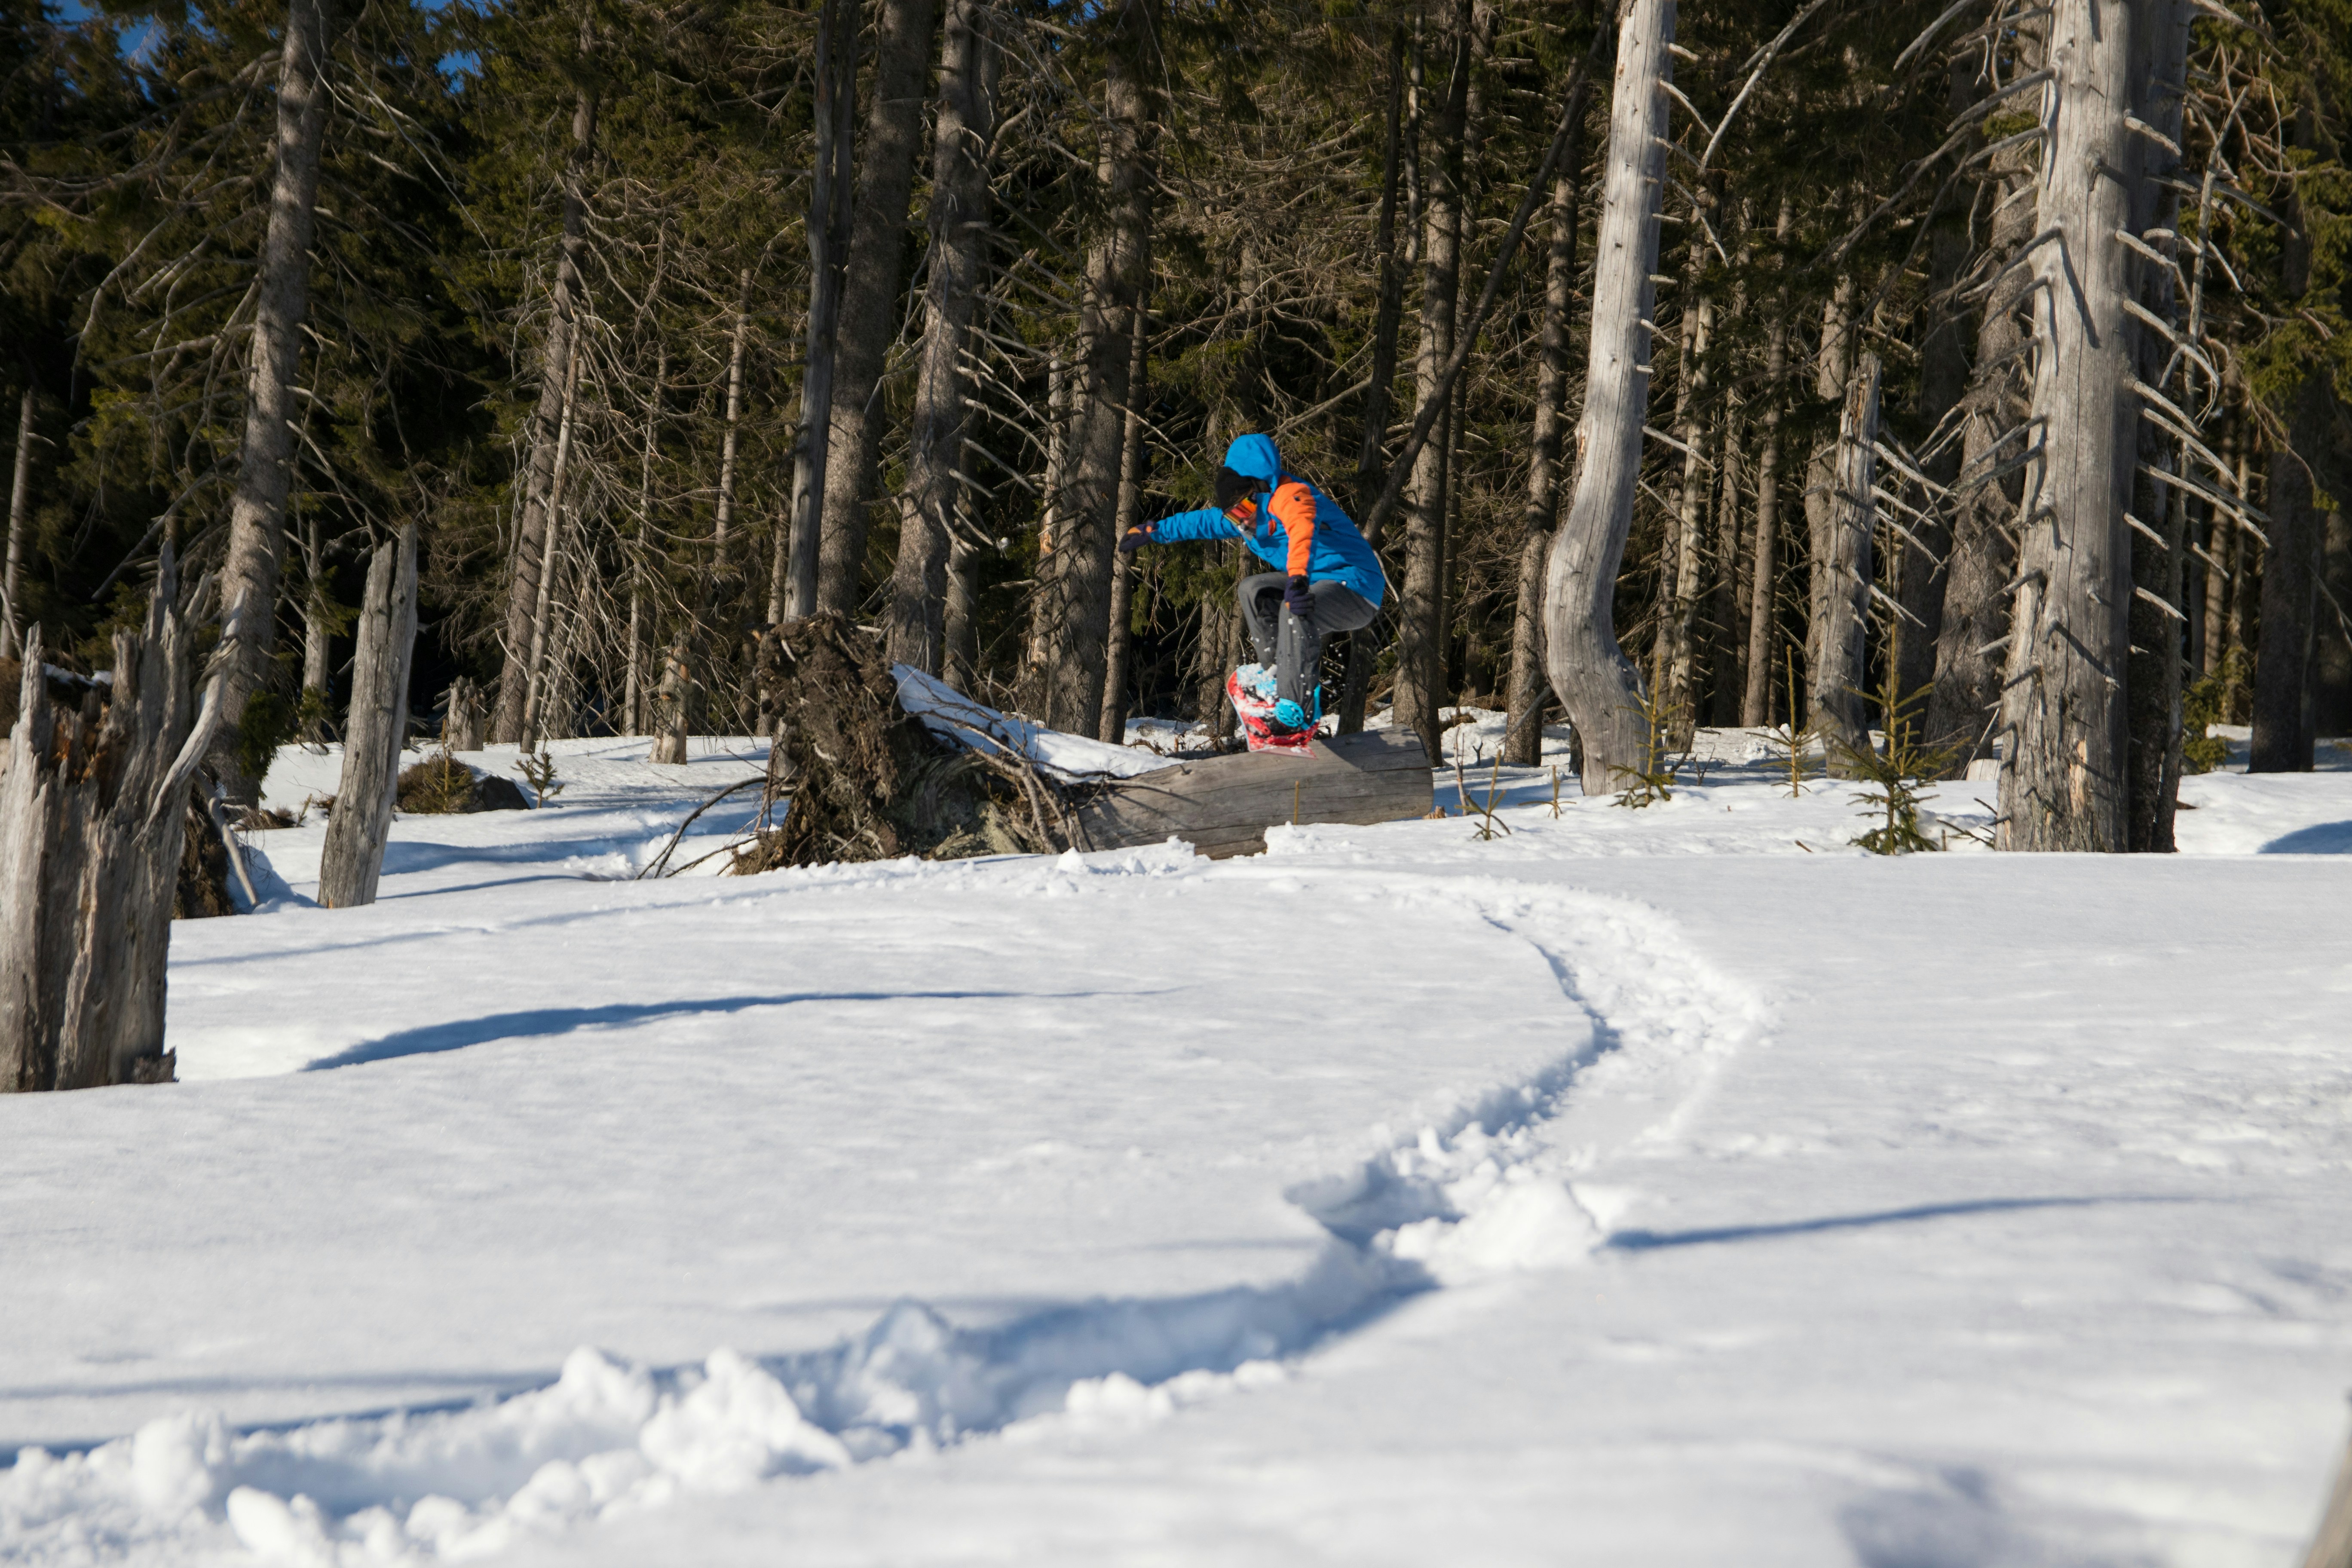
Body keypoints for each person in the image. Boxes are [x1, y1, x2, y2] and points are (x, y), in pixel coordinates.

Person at [1118, 433, 1384, 737]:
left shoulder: (1292, 496)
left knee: (1292, 611)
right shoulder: (1243, 519)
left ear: (1258, 490)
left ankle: (1297, 710)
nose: (1241, 522)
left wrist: (1297, 581)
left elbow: (1302, 533)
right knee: (1253, 590)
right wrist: (1155, 531)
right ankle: (1276, 680)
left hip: (1357, 587)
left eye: (1243, 510)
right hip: (1316, 582)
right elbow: (1202, 522)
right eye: (1234, 516)